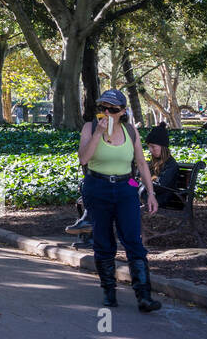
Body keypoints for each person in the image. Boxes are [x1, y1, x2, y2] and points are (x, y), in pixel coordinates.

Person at [79, 88, 162, 312]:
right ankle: (109, 292)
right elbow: (84, 159)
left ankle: (144, 296)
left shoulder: (130, 131)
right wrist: (98, 134)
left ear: (122, 111)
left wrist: (151, 193)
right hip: (98, 187)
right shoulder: (90, 127)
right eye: (103, 108)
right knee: (104, 241)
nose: (107, 112)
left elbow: (142, 164)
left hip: (126, 187)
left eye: (112, 109)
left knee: (133, 240)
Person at [145, 124, 184, 209]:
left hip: (161, 197)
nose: (150, 150)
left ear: (163, 147)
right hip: (147, 193)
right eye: (149, 147)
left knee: (128, 198)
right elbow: (135, 180)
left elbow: (160, 186)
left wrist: (142, 183)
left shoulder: (171, 165)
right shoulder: (152, 163)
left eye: (153, 147)